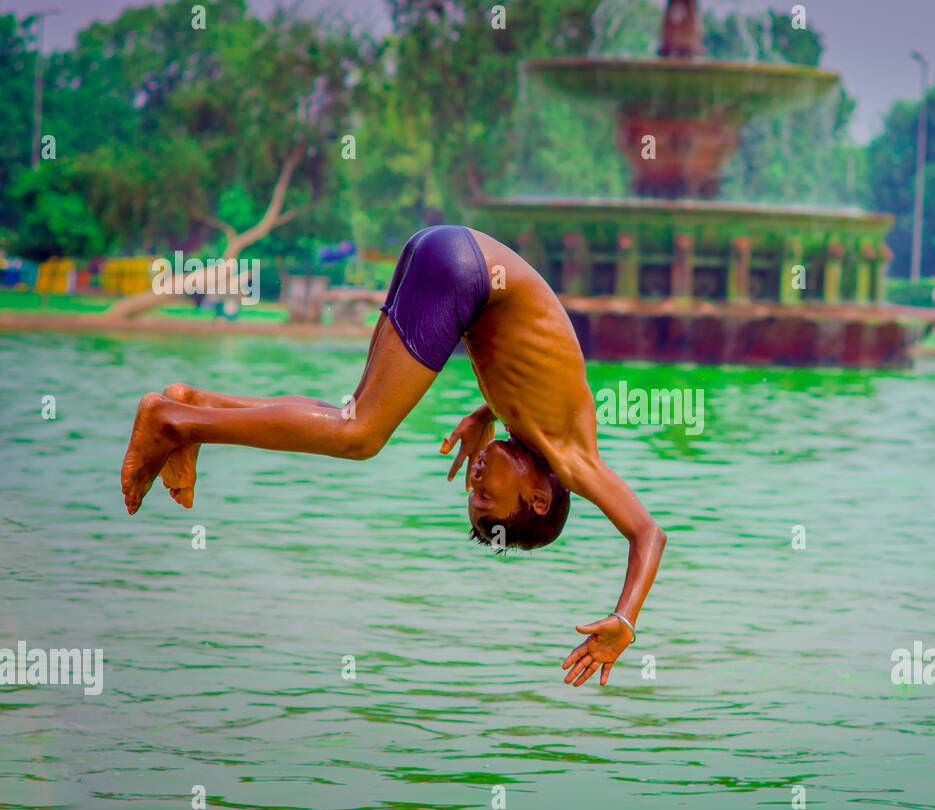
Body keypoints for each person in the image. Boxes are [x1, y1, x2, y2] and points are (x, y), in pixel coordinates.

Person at [120, 225, 667, 688]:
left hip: (444, 250)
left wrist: (487, 412)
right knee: (361, 436)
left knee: (351, 414)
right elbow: (647, 533)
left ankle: (196, 407)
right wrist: (625, 620)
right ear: (539, 496)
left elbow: (538, 363)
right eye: (486, 496)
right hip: (465, 270)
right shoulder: (573, 460)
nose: (474, 482)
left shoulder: (541, 427)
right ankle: (172, 422)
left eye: (471, 495)